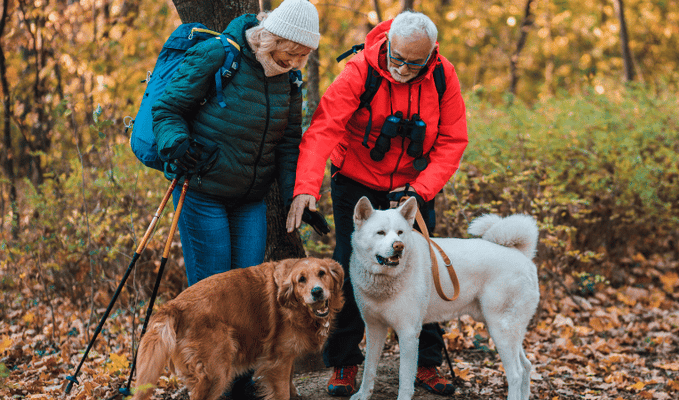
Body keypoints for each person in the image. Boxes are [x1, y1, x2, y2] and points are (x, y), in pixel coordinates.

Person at [286, 10, 468, 397]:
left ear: (431, 54)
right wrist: (306, 187)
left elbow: (453, 140)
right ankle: (345, 362)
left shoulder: (442, 75)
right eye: (396, 58)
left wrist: (421, 189)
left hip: (412, 189)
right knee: (349, 265)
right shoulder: (360, 69)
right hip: (357, 182)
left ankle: (426, 363)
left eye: (413, 63)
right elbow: (322, 130)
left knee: (422, 264)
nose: (402, 68)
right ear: (388, 45)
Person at [151, 0, 319, 398]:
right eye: (291, 52)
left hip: (251, 199)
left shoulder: (291, 81)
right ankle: (213, 387)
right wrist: (175, 144)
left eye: (304, 56)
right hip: (202, 193)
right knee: (213, 300)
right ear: (271, 38)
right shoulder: (219, 54)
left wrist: (300, 195)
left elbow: (289, 144)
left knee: (251, 303)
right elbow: (167, 108)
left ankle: (240, 390)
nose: (295, 62)